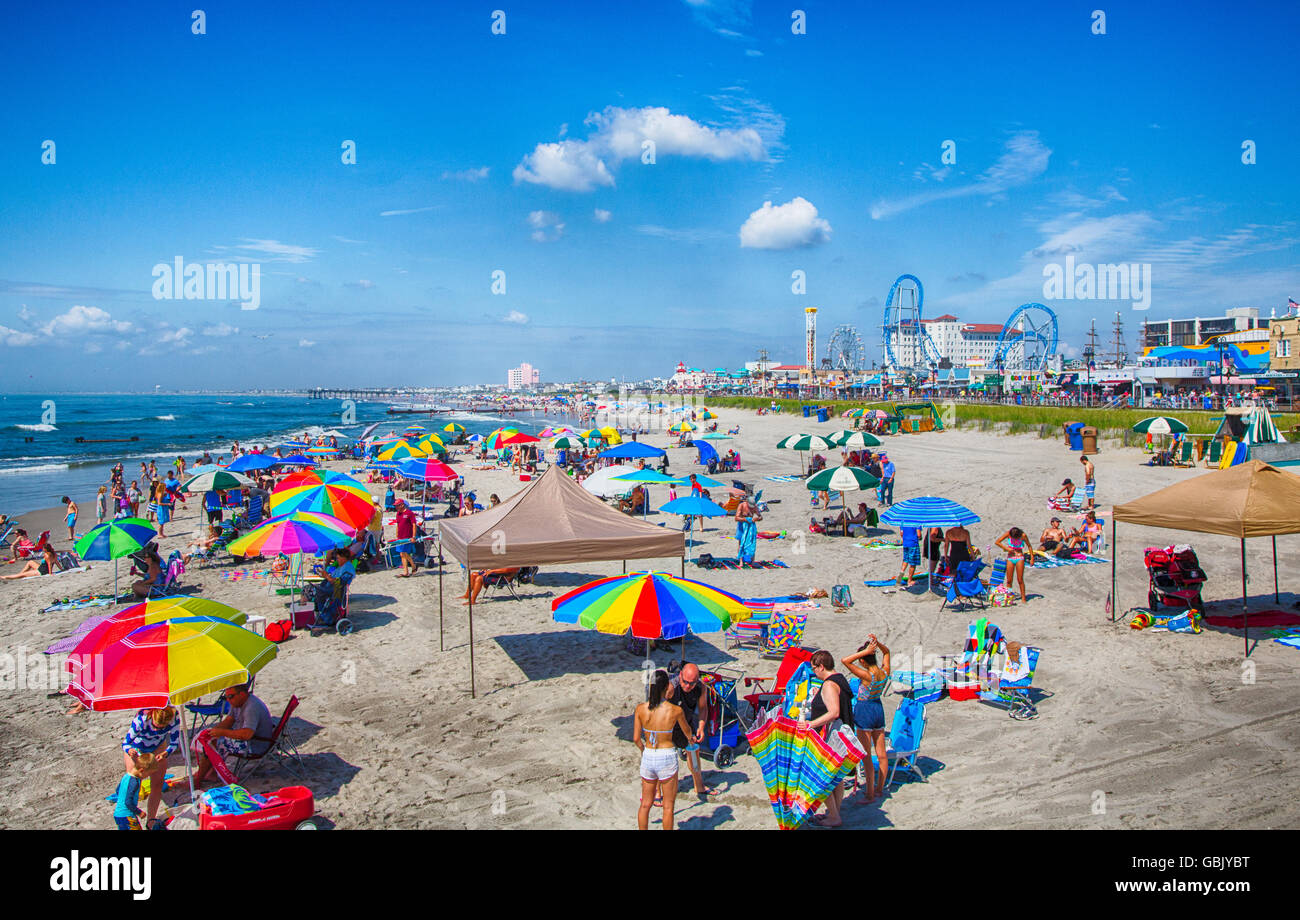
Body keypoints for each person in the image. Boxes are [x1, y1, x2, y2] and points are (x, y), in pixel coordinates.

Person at [634, 669, 693, 829]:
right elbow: (687, 731)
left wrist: (643, 750)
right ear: (666, 686)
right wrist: (691, 740)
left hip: (649, 754)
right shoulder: (675, 710)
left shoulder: (640, 709)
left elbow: (636, 739)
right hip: (666, 755)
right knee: (668, 807)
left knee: (645, 804)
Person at [804, 649, 855, 827]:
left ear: (821, 666)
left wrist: (811, 724)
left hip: (830, 738)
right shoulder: (840, 679)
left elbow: (834, 712)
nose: (813, 672)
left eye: (814, 668)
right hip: (840, 738)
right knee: (836, 778)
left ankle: (834, 816)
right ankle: (834, 812)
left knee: (822, 778)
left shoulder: (829, 684)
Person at [191, 684, 275, 785]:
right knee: (209, 739)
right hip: (248, 739)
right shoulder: (237, 702)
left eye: (230, 697)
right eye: (226, 697)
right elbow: (229, 720)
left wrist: (221, 732)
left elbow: (247, 734)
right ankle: (210, 773)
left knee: (215, 743)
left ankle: (198, 780)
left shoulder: (251, 707)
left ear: (242, 694)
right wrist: (213, 731)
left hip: (256, 744)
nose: (228, 700)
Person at [841, 636, 891, 802]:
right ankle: (879, 789)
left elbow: (845, 661)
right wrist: (877, 646)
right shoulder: (884, 672)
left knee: (866, 756)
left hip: (865, 710)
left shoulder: (866, 675)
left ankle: (869, 794)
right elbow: (887, 652)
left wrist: (866, 650)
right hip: (878, 708)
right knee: (881, 753)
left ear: (863, 660)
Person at [121, 706, 180, 829]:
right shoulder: (141, 719)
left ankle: (151, 820)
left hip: (158, 746)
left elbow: (174, 742)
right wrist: (130, 750)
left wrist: (166, 753)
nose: (157, 730)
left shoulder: (174, 718)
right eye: (156, 726)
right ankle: (133, 819)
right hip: (137, 746)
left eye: (161, 728)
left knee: (157, 784)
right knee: (133, 785)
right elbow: (126, 743)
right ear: (152, 716)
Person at [666, 663, 717, 799]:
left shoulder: (701, 687)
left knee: (694, 751)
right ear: (680, 675)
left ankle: (699, 786)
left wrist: (701, 726)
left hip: (686, 725)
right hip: (667, 726)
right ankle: (659, 791)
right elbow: (656, 709)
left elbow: (703, 708)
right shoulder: (671, 687)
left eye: (691, 683)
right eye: (685, 682)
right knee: (665, 757)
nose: (687, 686)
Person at [112, 751, 159, 830]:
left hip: (118, 814)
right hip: (127, 815)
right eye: (148, 774)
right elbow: (128, 802)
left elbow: (118, 791)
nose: (147, 777)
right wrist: (139, 812)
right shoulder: (134, 782)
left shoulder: (126, 776)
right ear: (141, 770)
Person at [995, 526, 1029, 603]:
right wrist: (1006, 548)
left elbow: (1029, 546)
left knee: (1020, 579)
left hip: (1019, 557)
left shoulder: (1023, 535)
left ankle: (1023, 597)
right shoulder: (1008, 534)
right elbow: (997, 542)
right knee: (1009, 580)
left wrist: (1032, 558)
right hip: (1010, 557)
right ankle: (1009, 596)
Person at [394, 499, 418, 577]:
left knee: (403, 553)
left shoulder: (409, 513)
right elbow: (398, 525)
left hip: (407, 536)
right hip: (400, 537)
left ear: (402, 505)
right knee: (402, 554)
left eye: (397, 505)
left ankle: (407, 571)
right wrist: (397, 535)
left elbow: (414, 525)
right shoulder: (398, 514)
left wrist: (413, 536)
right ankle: (412, 566)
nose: (396, 507)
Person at [735, 491, 759, 563]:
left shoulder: (754, 506)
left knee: (752, 542)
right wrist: (745, 519)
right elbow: (736, 518)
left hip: (751, 525)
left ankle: (752, 561)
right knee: (741, 542)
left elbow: (760, 516)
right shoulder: (741, 506)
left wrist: (756, 518)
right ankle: (741, 560)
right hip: (742, 525)